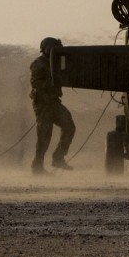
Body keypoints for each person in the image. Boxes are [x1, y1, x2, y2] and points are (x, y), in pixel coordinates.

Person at [30, 37, 75, 174]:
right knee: (44, 136)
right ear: (46, 49)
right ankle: (37, 167)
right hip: (43, 104)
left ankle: (58, 157)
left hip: (53, 102)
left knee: (69, 126)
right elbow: (36, 84)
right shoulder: (39, 64)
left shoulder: (56, 62)